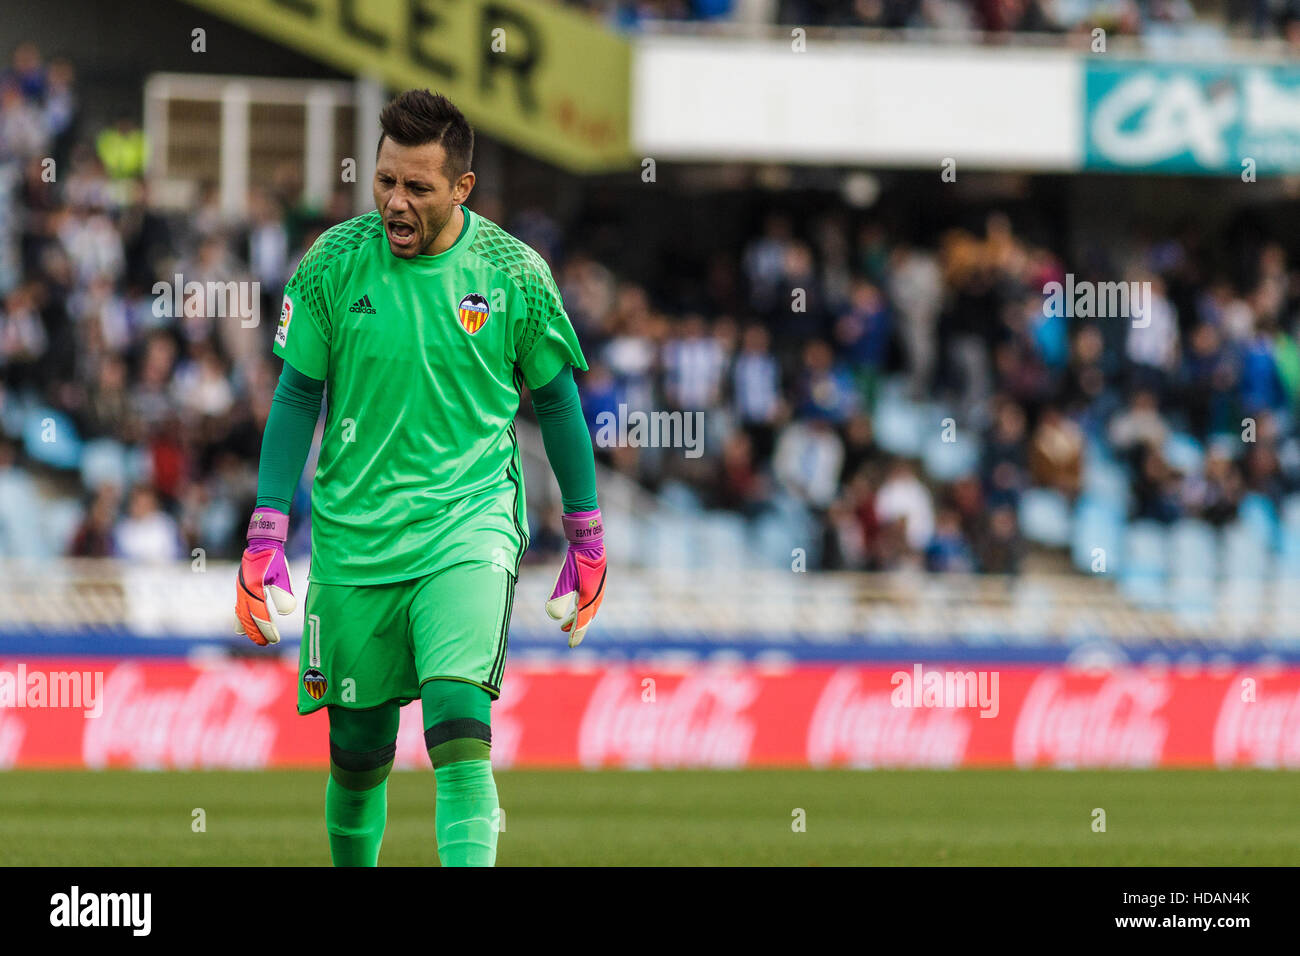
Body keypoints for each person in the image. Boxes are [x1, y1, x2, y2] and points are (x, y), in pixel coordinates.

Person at [234, 90, 606, 867]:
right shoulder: (334, 262)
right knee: (359, 754)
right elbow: (299, 394)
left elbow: (560, 404)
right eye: (385, 182)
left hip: (467, 527)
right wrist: (267, 528)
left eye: (418, 188)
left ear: (462, 189)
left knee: (457, 723)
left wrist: (587, 533)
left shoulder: (514, 274)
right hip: (353, 540)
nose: (396, 202)